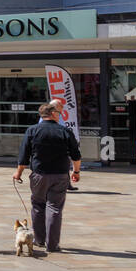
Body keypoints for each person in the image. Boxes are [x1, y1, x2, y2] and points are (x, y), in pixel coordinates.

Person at [13, 103, 82, 252]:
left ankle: (39, 240)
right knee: (55, 208)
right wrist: (76, 172)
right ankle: (52, 245)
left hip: (39, 174)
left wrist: (18, 173)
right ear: (53, 113)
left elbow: (24, 155)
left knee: (38, 205)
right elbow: (76, 155)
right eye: (59, 112)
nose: (60, 115)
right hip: (60, 175)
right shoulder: (65, 131)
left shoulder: (32, 131)